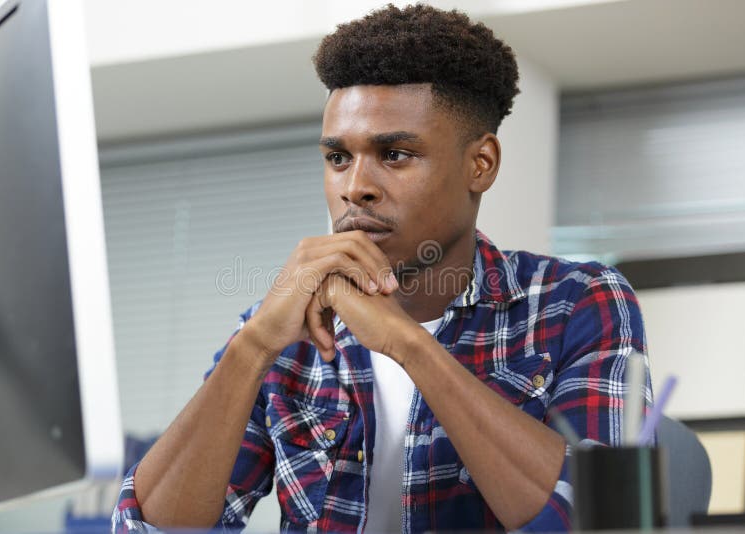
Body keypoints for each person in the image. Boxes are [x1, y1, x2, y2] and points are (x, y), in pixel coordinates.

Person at [113, 4, 651, 533]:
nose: (354, 187)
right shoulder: (282, 331)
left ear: (480, 165)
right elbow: (143, 529)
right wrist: (251, 347)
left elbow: (600, 521)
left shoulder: (578, 301)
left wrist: (409, 345)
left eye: (394, 154)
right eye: (338, 158)